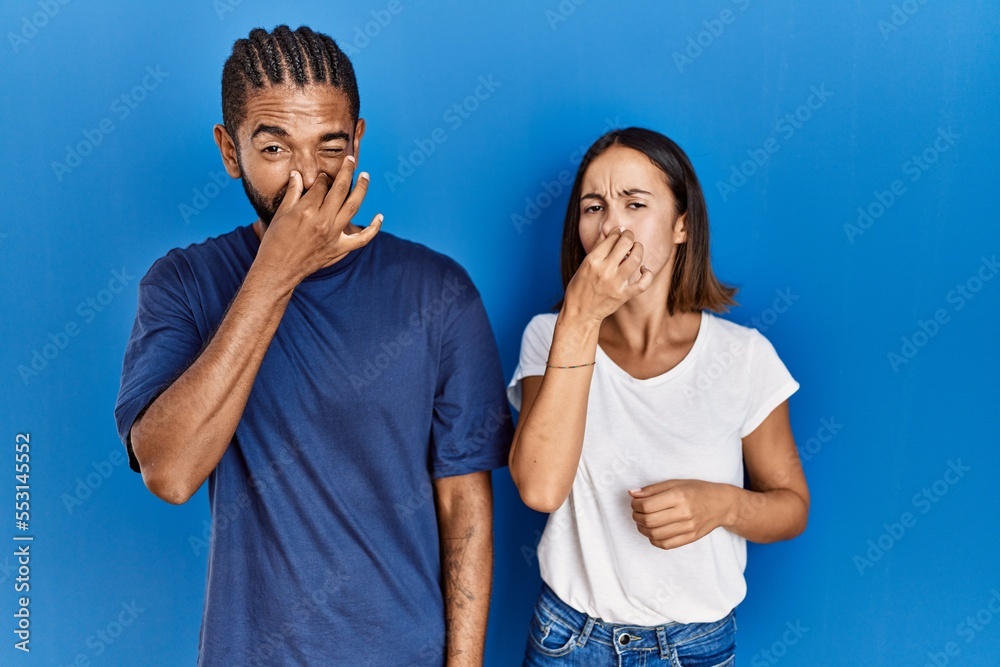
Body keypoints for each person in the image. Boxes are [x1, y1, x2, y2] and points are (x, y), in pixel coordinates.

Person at [114, 25, 512, 666]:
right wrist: (274, 273)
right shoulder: (183, 283)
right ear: (229, 150)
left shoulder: (439, 291)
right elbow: (170, 471)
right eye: (274, 148)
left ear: (356, 140)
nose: (306, 177)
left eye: (329, 146)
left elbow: (464, 504)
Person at [507, 127, 809, 666]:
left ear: (682, 225)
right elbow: (540, 488)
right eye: (594, 207)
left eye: (635, 203)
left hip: (694, 648)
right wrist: (579, 317)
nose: (612, 227)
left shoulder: (743, 357)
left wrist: (722, 504)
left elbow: (791, 507)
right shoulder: (547, 336)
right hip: (568, 641)